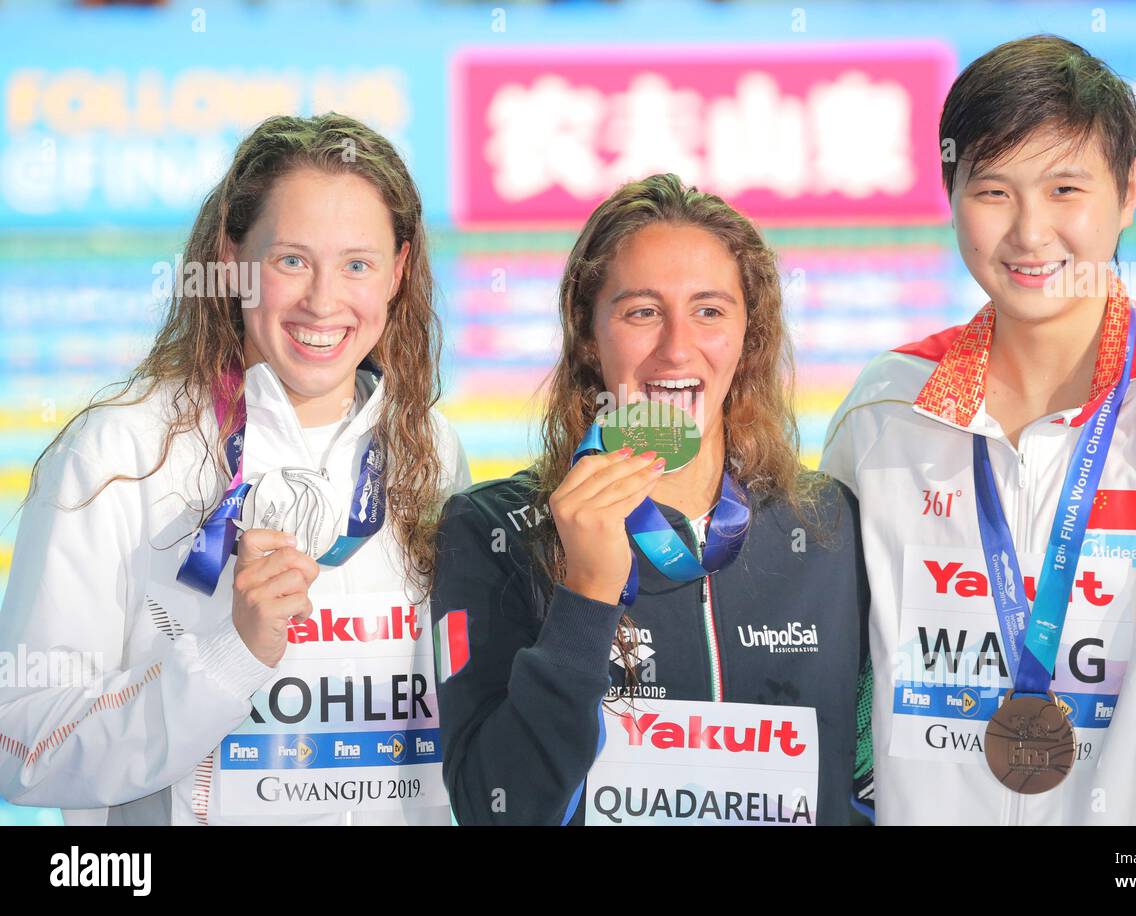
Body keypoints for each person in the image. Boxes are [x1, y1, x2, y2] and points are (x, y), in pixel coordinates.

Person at [822, 35, 1136, 825]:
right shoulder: (887, 411)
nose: (1031, 232)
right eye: (994, 191)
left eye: (1066, 188)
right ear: (952, 196)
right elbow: (832, 675)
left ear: (1129, 190)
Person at [0, 113, 470, 825]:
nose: (322, 300)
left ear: (398, 272)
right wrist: (229, 657)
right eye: (291, 261)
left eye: (357, 264)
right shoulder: (116, 457)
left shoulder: (432, 453)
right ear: (232, 259)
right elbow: (22, 744)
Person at [432, 173, 871, 825]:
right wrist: (584, 596)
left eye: (710, 311)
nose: (676, 347)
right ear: (587, 334)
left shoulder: (829, 526)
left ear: (749, 334)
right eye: (642, 311)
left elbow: (870, 787)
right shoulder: (492, 531)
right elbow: (495, 810)